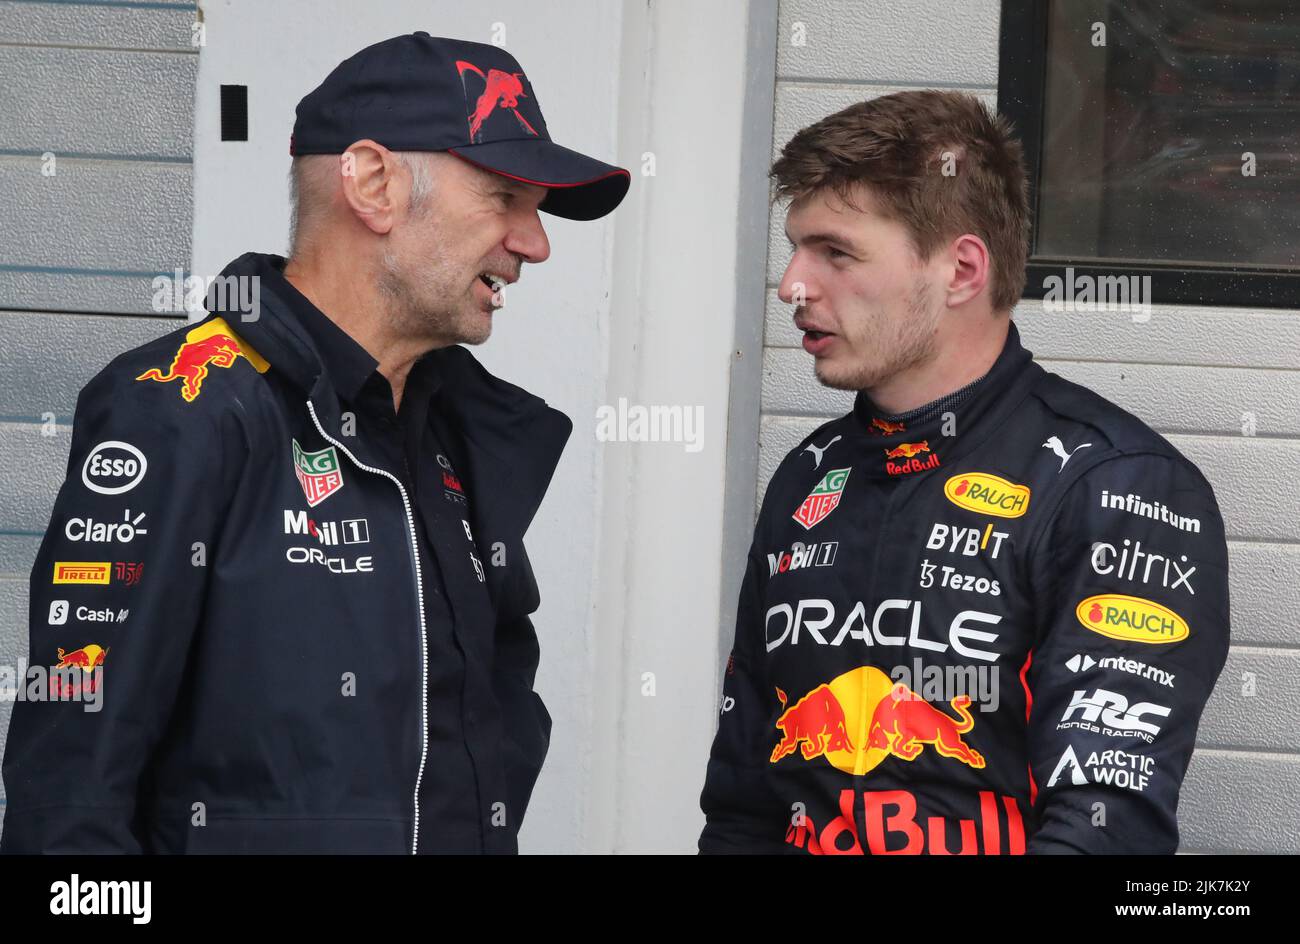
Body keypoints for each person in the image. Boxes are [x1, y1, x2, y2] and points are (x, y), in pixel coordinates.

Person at [0, 32, 628, 854]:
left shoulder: (458, 433)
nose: (535, 242)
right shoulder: (182, 408)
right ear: (372, 184)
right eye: (505, 197)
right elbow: (70, 798)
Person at [698, 90, 1228, 854]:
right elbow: (744, 800)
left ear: (962, 269)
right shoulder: (809, 474)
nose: (792, 286)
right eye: (795, 249)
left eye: (835, 252)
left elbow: (1104, 827)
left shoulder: (1115, 485)